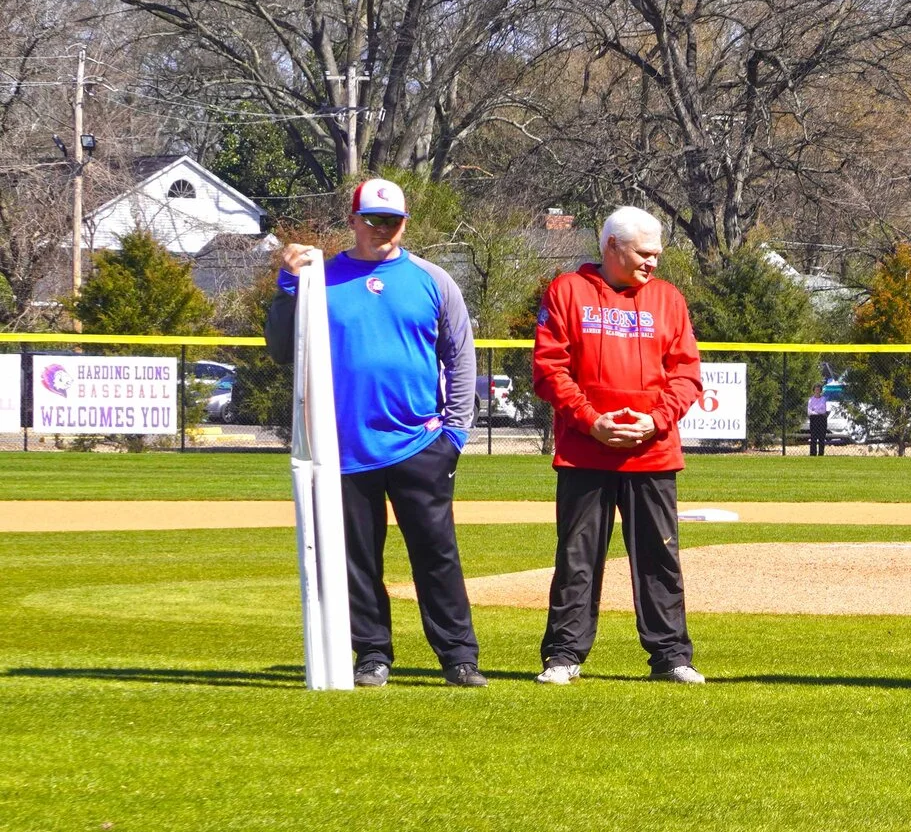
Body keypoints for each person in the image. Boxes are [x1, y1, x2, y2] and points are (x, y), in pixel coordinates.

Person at [271, 178, 483, 689]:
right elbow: (282, 349)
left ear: (405, 223)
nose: (381, 229)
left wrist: (455, 432)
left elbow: (460, 356)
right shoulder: (320, 278)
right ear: (352, 220)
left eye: (391, 220)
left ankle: (458, 657)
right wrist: (284, 285)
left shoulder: (433, 280)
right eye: (371, 219)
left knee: (436, 555)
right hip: (343, 447)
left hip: (419, 443)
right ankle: (372, 654)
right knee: (356, 560)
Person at [530, 206, 707, 685]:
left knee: (659, 557)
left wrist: (655, 421)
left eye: (657, 255)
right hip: (585, 451)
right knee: (577, 556)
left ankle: (671, 656)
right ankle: (564, 655)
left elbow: (687, 374)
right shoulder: (567, 291)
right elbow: (549, 370)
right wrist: (591, 422)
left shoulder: (669, 299)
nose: (653, 263)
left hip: (652, 452)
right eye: (643, 253)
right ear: (612, 246)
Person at [806, 383, 830, 456]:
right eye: (816, 389)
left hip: (822, 419)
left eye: (819, 390)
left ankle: (821, 454)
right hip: (814, 419)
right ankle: (813, 454)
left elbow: (823, 411)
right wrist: (817, 410)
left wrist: (815, 410)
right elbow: (809, 411)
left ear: (820, 391)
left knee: (821, 438)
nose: (817, 391)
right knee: (813, 438)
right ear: (813, 390)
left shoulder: (823, 399)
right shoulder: (810, 400)